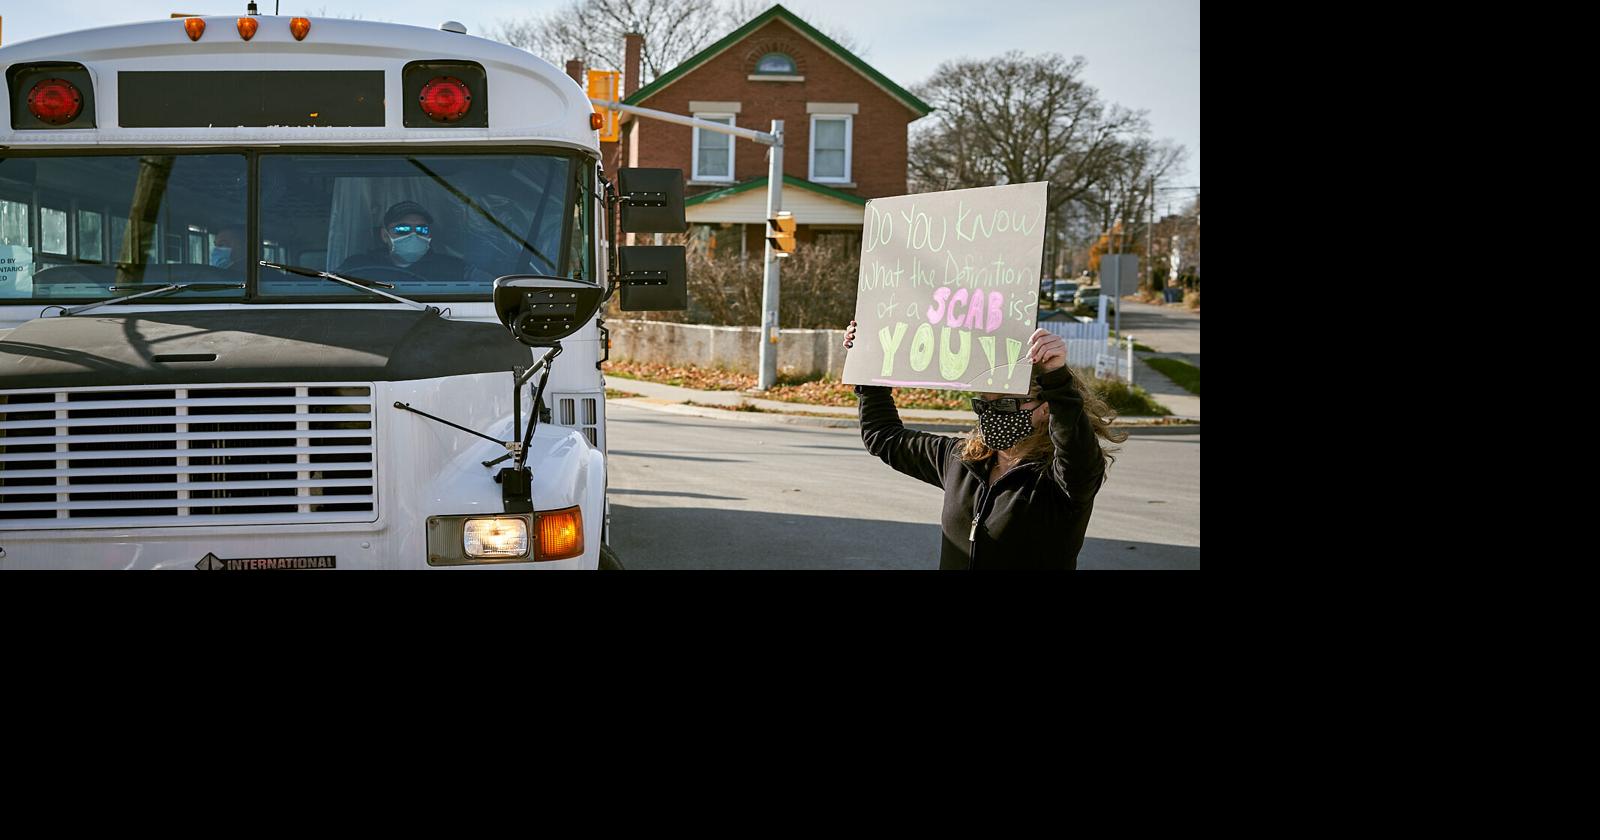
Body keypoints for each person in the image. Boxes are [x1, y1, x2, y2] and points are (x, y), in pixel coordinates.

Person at [843, 321, 1128, 570]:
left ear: (1045, 409)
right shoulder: (962, 460)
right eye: (983, 404)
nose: (991, 414)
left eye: (1004, 404)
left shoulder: (1064, 480)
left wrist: (1057, 379)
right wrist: (867, 366)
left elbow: (1075, 448)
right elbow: (884, 437)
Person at [337, 200, 469, 280]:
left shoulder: (454, 268)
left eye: (421, 229)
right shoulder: (357, 266)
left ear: (430, 235)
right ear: (384, 235)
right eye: (402, 229)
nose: (413, 235)